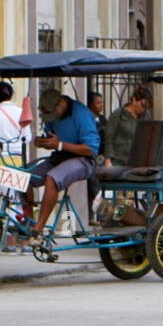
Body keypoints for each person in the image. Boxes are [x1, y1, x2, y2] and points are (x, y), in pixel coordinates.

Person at [25, 91, 100, 246]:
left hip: (83, 159)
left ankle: (38, 230)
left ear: (61, 103)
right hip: (60, 156)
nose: (52, 119)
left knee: (52, 178)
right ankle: (30, 224)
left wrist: (59, 144)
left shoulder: (83, 115)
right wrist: (43, 142)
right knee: (23, 176)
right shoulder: (53, 114)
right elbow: (52, 137)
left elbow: (91, 149)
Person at [0, 80, 29, 217]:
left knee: (3, 204)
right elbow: (28, 137)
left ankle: (7, 238)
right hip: (19, 163)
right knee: (16, 204)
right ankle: (15, 236)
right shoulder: (21, 112)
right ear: (11, 95)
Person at [101, 85, 148, 168]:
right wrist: (108, 160)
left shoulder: (146, 115)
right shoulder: (118, 115)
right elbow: (108, 137)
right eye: (142, 105)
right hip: (118, 160)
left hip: (137, 161)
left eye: (147, 107)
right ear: (134, 100)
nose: (143, 109)